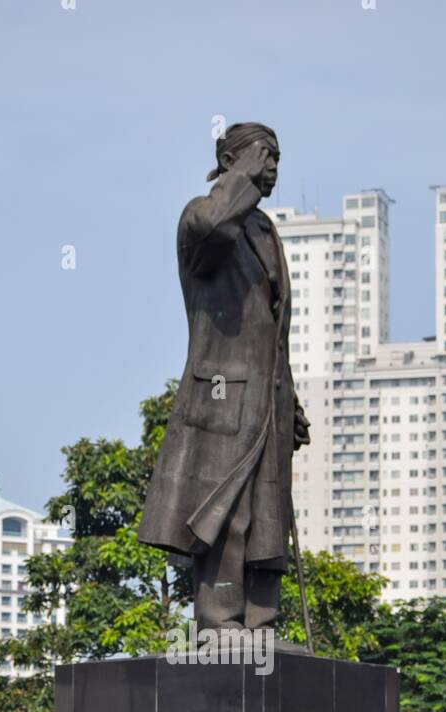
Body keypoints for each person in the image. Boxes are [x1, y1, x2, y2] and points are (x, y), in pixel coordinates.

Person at [138, 122, 310, 633]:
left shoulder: (265, 231)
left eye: (278, 156)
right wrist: (240, 180)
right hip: (224, 395)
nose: (273, 165)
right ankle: (218, 620)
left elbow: (272, 330)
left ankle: (260, 621)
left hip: (268, 400)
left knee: (266, 519)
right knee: (226, 514)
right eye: (263, 154)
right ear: (233, 159)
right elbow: (214, 229)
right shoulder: (201, 216)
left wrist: (291, 400)